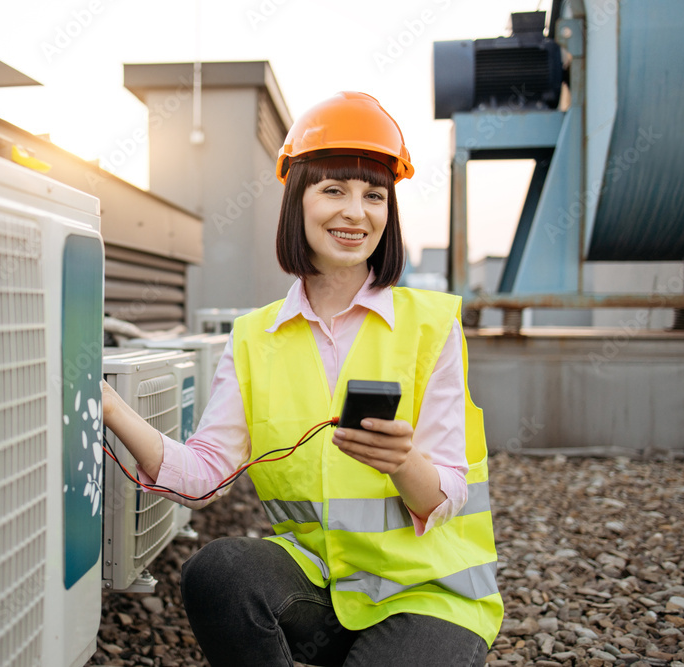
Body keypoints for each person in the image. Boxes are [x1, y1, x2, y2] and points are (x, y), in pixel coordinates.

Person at [101, 91, 503, 667]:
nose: (355, 212)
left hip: (430, 594)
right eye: (333, 190)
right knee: (218, 571)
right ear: (298, 200)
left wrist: (402, 463)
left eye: (374, 195)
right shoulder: (253, 337)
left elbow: (444, 497)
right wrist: (112, 408)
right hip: (320, 590)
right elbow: (205, 476)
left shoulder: (432, 324)